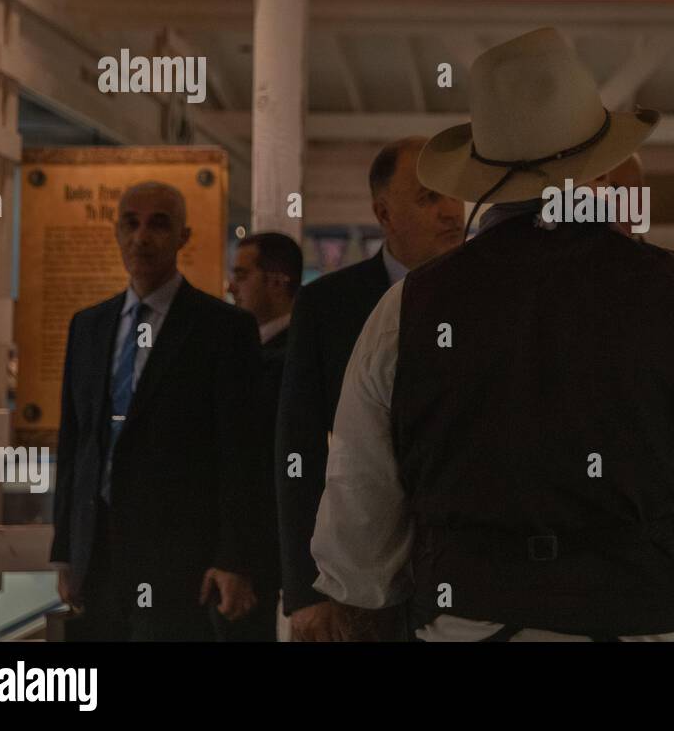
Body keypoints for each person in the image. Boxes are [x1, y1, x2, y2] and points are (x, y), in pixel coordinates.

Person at [311, 27, 674, 641]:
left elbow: (357, 543)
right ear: (600, 166)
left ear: (481, 175)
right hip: (654, 623)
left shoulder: (405, 311)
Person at [51, 181, 261, 640]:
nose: (141, 237)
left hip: (181, 555)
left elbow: (242, 453)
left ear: (183, 236)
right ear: (116, 231)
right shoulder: (89, 326)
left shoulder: (223, 330)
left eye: (158, 224)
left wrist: (233, 558)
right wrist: (66, 549)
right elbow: (75, 442)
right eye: (130, 223)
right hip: (97, 552)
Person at [276, 137, 464, 641]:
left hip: (467, 575)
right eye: (429, 198)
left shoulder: (488, 295)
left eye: (454, 194)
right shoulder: (327, 305)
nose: (451, 211)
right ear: (384, 214)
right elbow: (298, 447)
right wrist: (305, 591)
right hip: (360, 579)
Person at [226, 230, 304, 640]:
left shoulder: (296, 355)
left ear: (277, 281)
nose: (230, 285)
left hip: (269, 541)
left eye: (241, 274)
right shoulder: (249, 350)